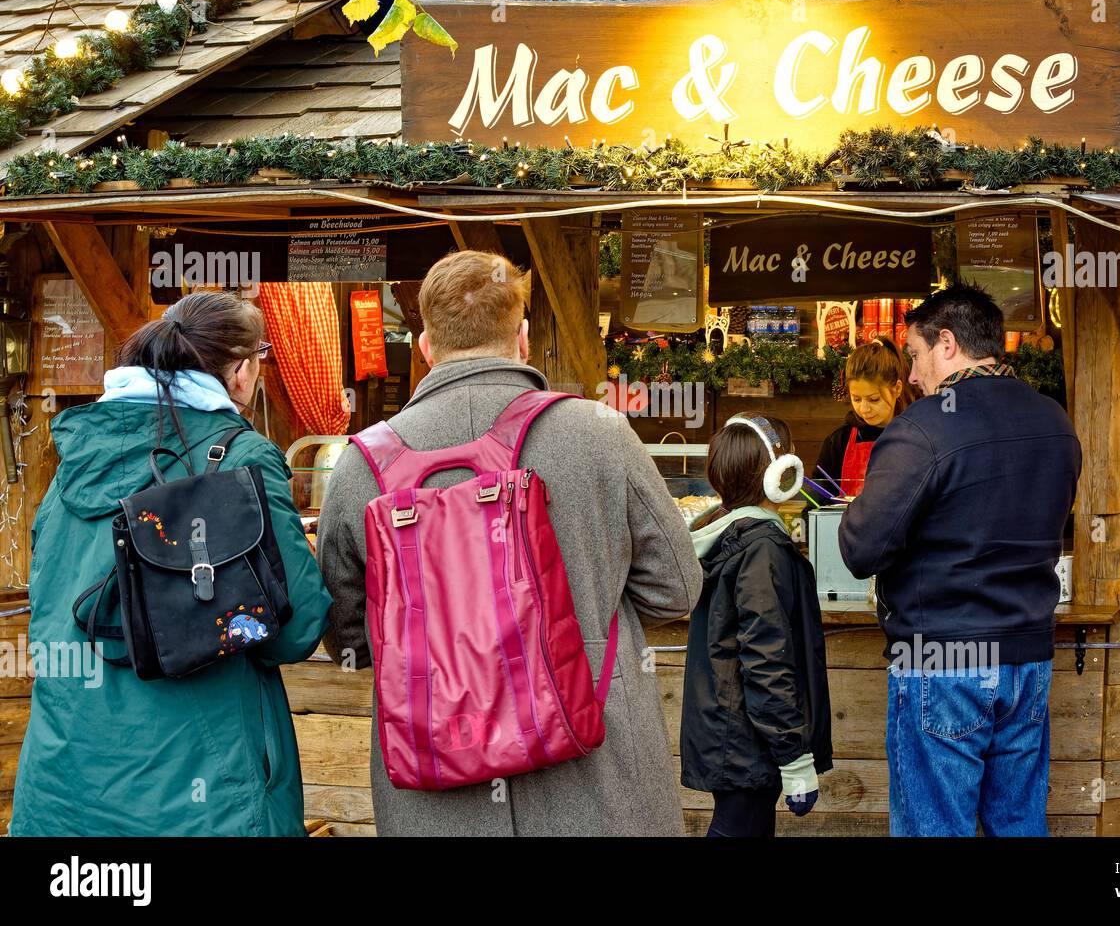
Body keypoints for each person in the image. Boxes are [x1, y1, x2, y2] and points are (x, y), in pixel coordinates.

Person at [316, 249, 703, 836]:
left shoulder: (359, 466)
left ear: (425, 348)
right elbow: (677, 588)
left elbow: (350, 637)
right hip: (597, 786)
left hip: (439, 802)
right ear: (522, 337)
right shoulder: (599, 433)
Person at [10, 292, 333, 837]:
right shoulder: (242, 457)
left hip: (64, 793)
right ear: (242, 371)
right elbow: (296, 629)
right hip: (206, 798)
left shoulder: (73, 463)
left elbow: (51, 606)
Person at [838, 283, 1081, 837]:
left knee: (934, 829)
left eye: (917, 357)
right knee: (1017, 825)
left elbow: (860, 548)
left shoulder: (923, 428)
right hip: (1028, 658)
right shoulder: (1056, 423)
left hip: (942, 660)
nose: (915, 377)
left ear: (947, 343)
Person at [681, 413, 832, 837]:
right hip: (749, 744)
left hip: (735, 739)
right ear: (776, 474)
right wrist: (795, 756)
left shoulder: (732, 539)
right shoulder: (762, 550)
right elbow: (767, 661)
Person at [815, 336, 919, 497]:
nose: (864, 408)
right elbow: (817, 498)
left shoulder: (918, 438)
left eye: (874, 399)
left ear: (897, 389)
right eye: (856, 399)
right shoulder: (838, 442)